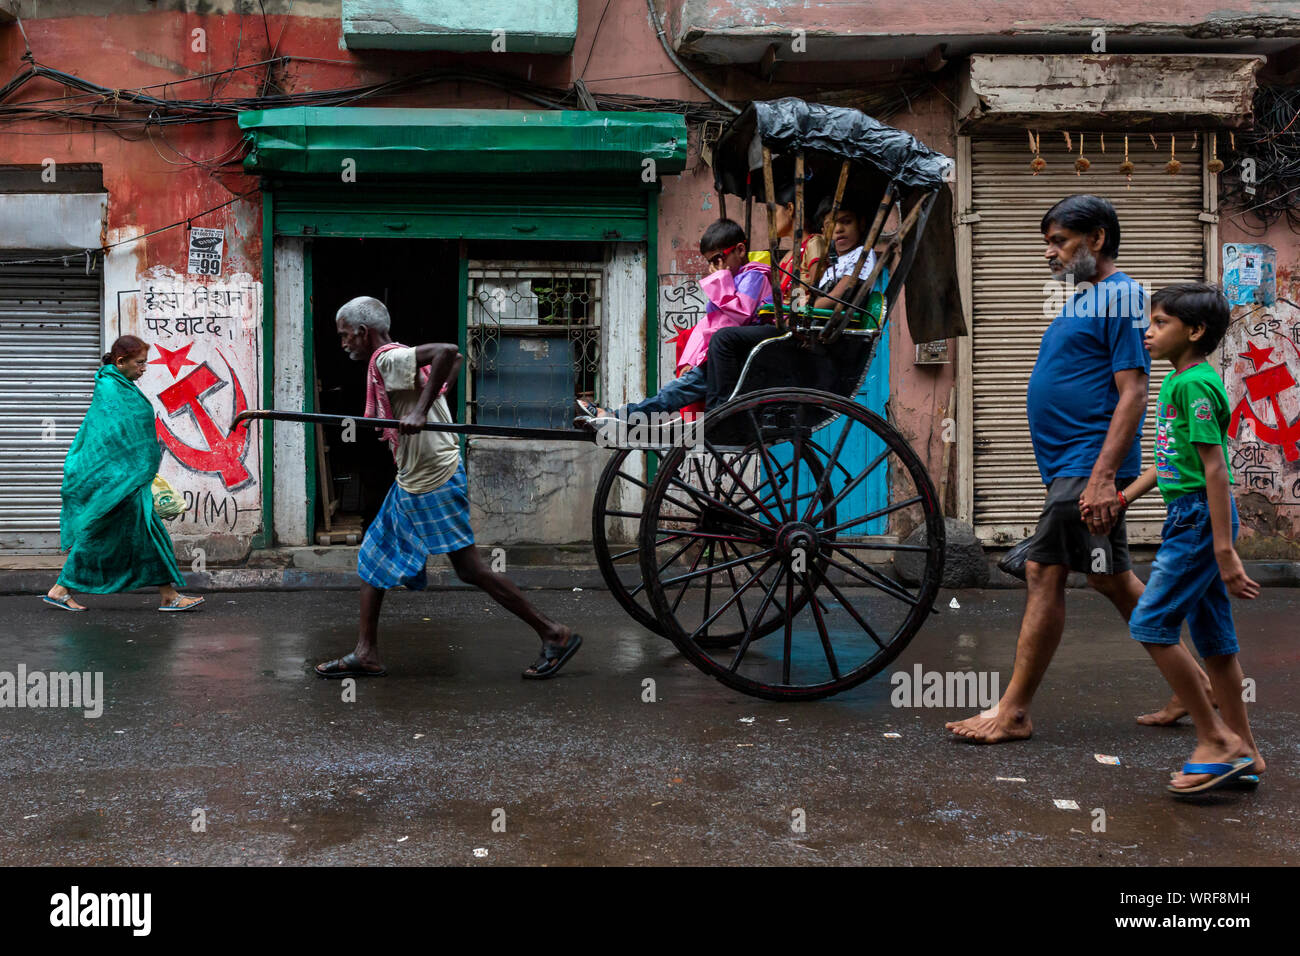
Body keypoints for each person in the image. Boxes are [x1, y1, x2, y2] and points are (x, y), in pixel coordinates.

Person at [946, 194, 1212, 743]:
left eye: (1059, 242)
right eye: (1048, 242)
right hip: (1073, 466)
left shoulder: (1123, 297)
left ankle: (1014, 711)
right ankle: (1198, 688)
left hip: (1085, 465)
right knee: (1110, 578)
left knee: (1045, 574)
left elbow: (1134, 391)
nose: (1050, 254)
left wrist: (1101, 477)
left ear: (1096, 240)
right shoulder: (1085, 299)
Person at [315, 296, 581, 680]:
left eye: (345, 336)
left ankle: (554, 633)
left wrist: (422, 410)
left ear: (362, 332)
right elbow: (452, 364)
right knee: (373, 560)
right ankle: (366, 652)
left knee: (471, 569)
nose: (343, 344)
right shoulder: (401, 356)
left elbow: (449, 351)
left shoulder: (388, 360)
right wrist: (431, 397)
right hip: (415, 477)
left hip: (432, 479)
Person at [1105, 283, 1262, 793]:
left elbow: (1215, 470)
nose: (1147, 332)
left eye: (1160, 324)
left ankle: (1216, 740)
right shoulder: (1181, 381)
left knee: (1151, 623)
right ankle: (1246, 749)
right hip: (1191, 516)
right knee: (1216, 641)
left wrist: (1223, 550)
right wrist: (1124, 498)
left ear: (1193, 332)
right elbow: (1172, 463)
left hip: (1198, 522)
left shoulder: (1191, 385)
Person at [45, 335, 202, 613]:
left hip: (128, 480)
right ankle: (168, 596)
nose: (144, 369)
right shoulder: (110, 389)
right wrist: (132, 470)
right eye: (139, 363)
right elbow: (109, 439)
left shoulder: (121, 385)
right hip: (118, 482)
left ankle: (168, 595)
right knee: (116, 536)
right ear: (121, 362)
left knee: (138, 535)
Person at [576, 219, 771, 423]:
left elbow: (741, 313)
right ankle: (621, 415)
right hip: (719, 359)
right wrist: (691, 361)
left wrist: (721, 279)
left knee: (674, 393)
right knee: (675, 391)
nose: (715, 268)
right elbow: (710, 325)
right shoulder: (730, 280)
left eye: (719, 259)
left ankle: (620, 415)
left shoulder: (754, 277)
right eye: (711, 262)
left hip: (737, 359)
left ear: (740, 250)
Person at [706, 196, 877, 409]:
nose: (839, 230)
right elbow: (805, 293)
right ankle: (724, 408)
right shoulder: (833, 262)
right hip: (803, 324)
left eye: (846, 222)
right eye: (832, 225)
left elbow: (836, 298)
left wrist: (803, 306)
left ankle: (720, 411)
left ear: (861, 224)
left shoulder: (860, 256)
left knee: (724, 340)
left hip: (816, 333)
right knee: (724, 341)